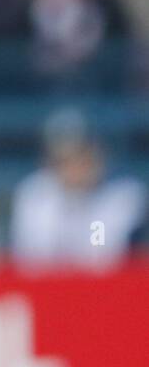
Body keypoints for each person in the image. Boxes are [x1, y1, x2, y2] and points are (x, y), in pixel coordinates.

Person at [10, 106, 146, 271]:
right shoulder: (33, 195)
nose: (76, 167)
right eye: (65, 159)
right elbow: (33, 259)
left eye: (83, 155)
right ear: (49, 161)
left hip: (105, 291)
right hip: (48, 290)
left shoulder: (123, 196)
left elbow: (101, 256)